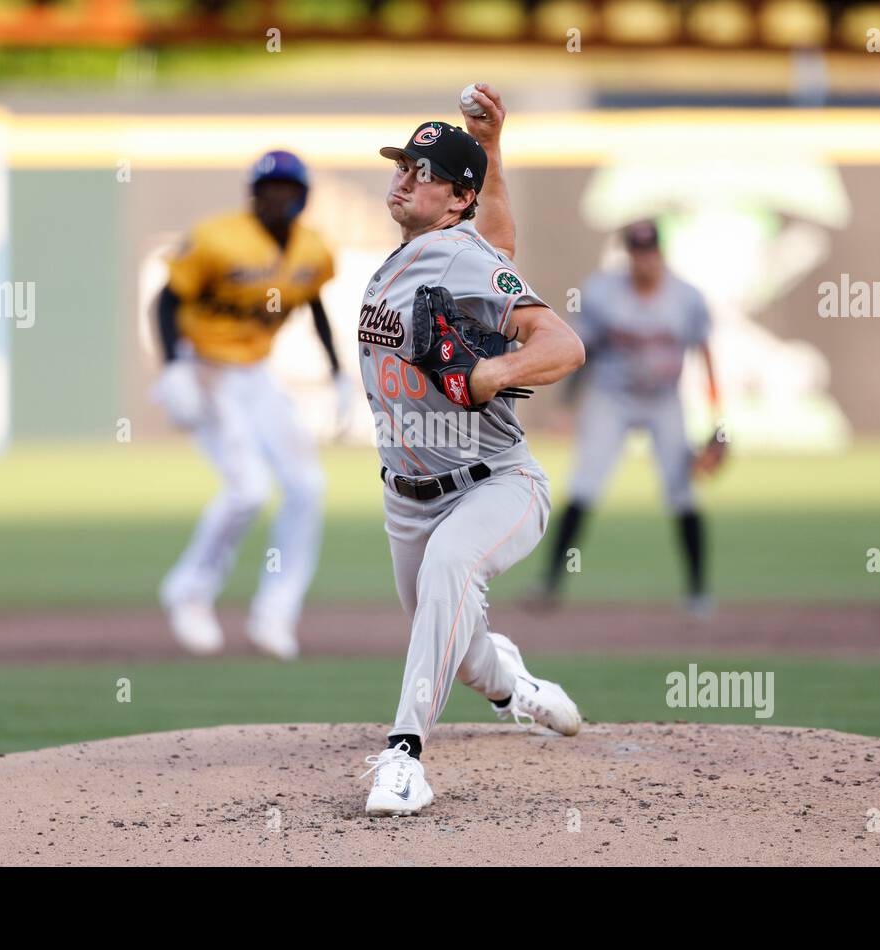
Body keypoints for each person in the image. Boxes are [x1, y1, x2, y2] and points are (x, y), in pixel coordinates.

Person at [355, 84, 586, 817]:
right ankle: (513, 686)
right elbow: (504, 246)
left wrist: (495, 371)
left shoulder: (454, 256)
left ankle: (404, 758)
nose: (402, 178)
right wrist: (488, 150)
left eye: (420, 172)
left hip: (497, 484)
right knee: (458, 646)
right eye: (400, 166)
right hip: (407, 496)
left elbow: (564, 342)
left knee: (453, 569)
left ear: (456, 198)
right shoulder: (414, 258)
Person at [150, 150, 351, 659]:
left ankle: (276, 613)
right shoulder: (218, 237)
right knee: (248, 490)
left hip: (256, 373)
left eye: (286, 189)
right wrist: (173, 363)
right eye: (268, 189)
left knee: (307, 485)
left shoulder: (313, 249)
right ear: (252, 194)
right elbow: (168, 299)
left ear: (302, 195)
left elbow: (314, 304)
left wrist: (337, 371)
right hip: (206, 366)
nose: (277, 198)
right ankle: (190, 593)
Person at [536, 219, 721, 616]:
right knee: (584, 485)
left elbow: (705, 355)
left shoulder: (686, 297)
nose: (644, 261)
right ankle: (550, 584)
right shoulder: (603, 293)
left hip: (663, 400)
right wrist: (567, 406)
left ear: (661, 254)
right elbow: (581, 352)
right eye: (637, 253)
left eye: (650, 252)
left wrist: (716, 421)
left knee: (682, 491)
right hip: (611, 397)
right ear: (629, 256)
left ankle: (698, 592)